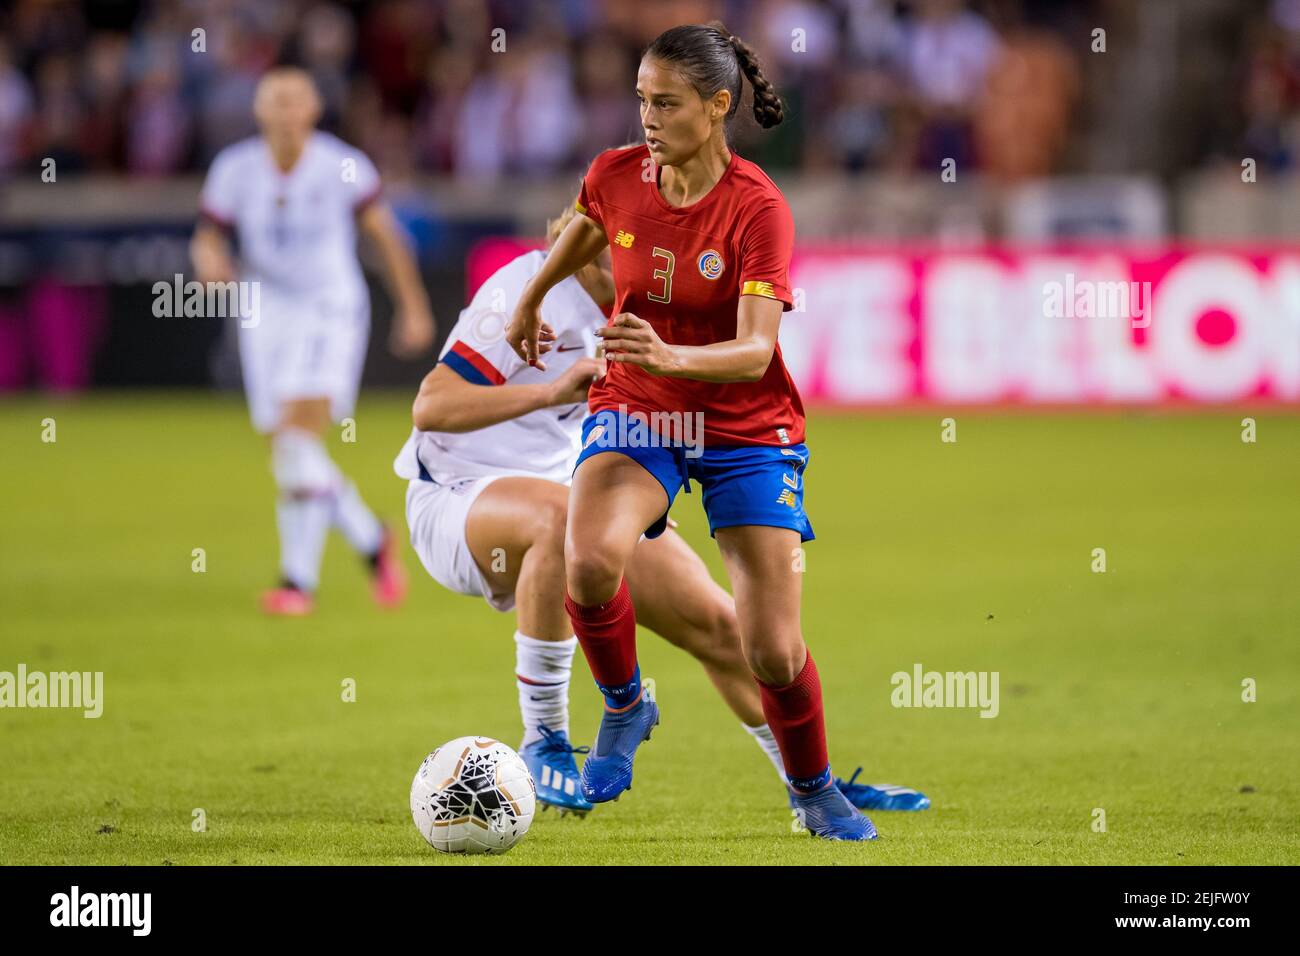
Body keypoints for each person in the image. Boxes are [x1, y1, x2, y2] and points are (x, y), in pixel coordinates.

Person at [399, 202, 929, 818]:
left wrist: (638, 488)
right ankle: (544, 738)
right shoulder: (526, 289)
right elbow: (431, 405)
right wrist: (551, 390)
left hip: (568, 493)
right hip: (456, 498)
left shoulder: (653, 308)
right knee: (559, 518)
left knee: (725, 628)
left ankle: (813, 783)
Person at [508, 24, 881, 840]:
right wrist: (533, 295)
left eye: (666, 103)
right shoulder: (616, 173)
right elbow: (586, 220)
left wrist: (669, 347)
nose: (647, 117)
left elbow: (754, 354)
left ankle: (814, 789)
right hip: (641, 404)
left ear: (717, 107)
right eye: (642, 99)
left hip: (747, 426)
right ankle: (624, 706)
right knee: (592, 555)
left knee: (773, 652)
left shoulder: (758, 209)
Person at [191, 67, 435, 615]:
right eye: (273, 100)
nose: (283, 111)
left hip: (330, 308)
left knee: (298, 441)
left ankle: (297, 583)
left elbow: (387, 238)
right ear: (258, 110)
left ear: (311, 110)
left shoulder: (341, 165)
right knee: (287, 449)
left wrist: (413, 307)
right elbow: (207, 237)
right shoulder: (234, 169)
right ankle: (371, 539)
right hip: (265, 313)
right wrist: (209, 264)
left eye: (292, 100)